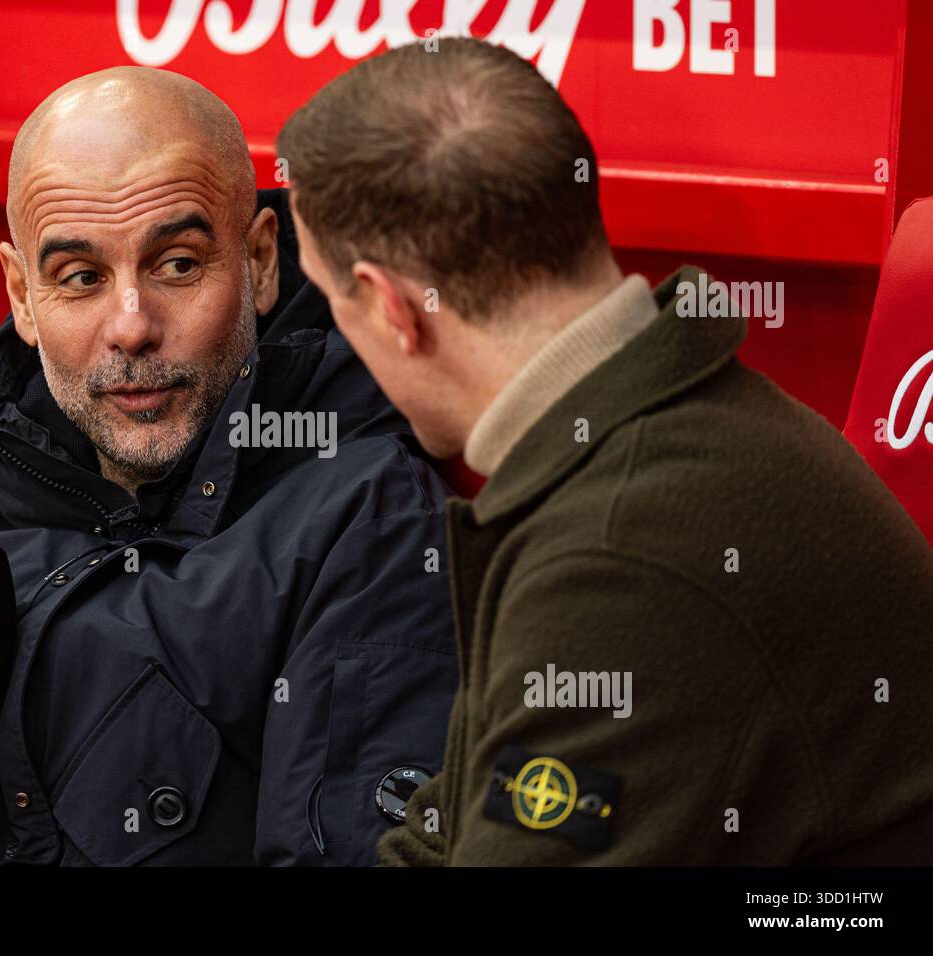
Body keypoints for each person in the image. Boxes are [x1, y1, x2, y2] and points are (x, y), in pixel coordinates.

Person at [0, 67, 458, 866]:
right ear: (23, 297)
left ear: (260, 262)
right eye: (82, 279)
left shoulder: (367, 520)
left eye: (178, 265)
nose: (131, 327)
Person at [276, 37, 933, 865]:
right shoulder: (649, 434)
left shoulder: (621, 553)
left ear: (392, 308)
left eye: (331, 299)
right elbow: (442, 837)